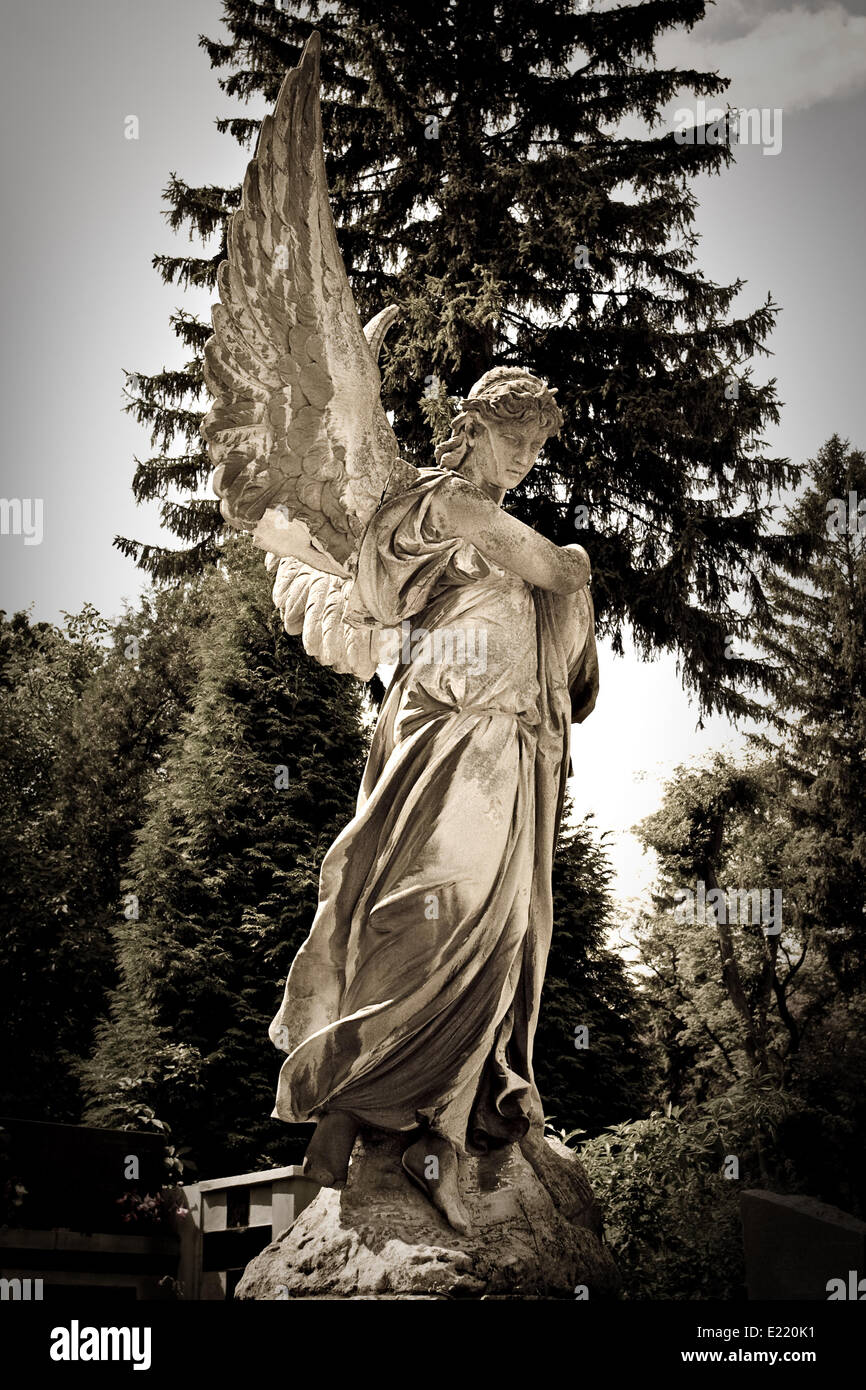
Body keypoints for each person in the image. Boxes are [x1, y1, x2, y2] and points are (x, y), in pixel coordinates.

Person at [254, 366, 598, 1232]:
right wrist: (574, 569)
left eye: (537, 445)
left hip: (508, 746)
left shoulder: (492, 525)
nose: (526, 457)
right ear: (474, 426)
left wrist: (565, 599)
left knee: (501, 930)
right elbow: (550, 567)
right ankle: (352, 1099)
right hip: (448, 735)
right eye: (514, 436)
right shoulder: (439, 505)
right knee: (428, 911)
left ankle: (437, 1122)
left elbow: (572, 658)